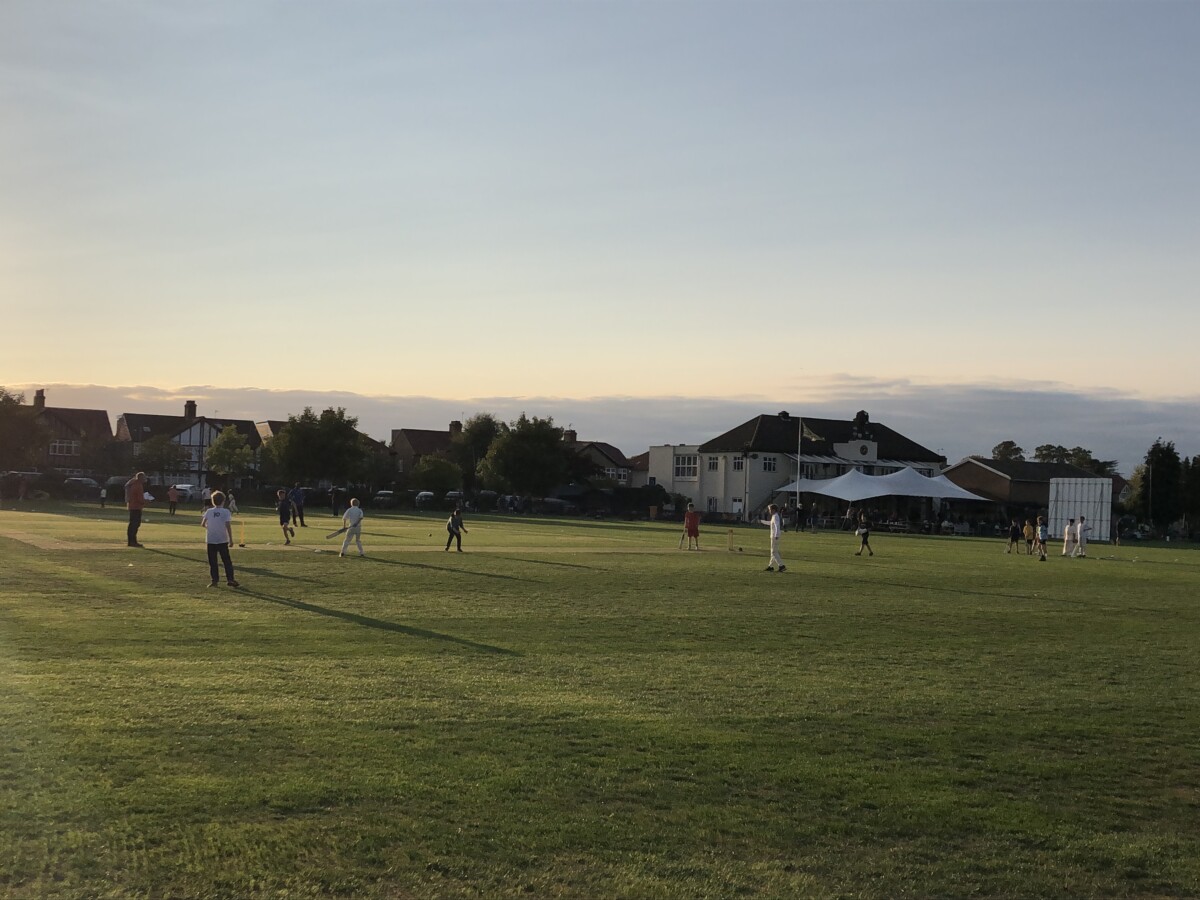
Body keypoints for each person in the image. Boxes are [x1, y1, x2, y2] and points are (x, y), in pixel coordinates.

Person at [201, 490, 240, 587]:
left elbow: (203, 524)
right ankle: (230, 579)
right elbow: (228, 525)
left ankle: (214, 580)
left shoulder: (209, 511)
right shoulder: (225, 512)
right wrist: (231, 539)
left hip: (211, 540)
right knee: (226, 561)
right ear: (223, 501)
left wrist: (210, 527)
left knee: (213, 561)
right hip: (222, 540)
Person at [758, 503, 785, 572]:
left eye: (770, 509)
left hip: (775, 536)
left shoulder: (775, 516)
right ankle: (771, 566)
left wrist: (776, 535)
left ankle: (781, 565)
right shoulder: (774, 516)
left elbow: (776, 526)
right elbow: (770, 523)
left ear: (773, 510)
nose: (769, 511)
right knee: (772, 552)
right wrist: (762, 521)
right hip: (774, 536)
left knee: (774, 552)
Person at [124, 471, 147, 547]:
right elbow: (140, 498)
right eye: (144, 477)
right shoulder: (138, 485)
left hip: (132, 506)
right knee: (135, 524)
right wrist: (146, 501)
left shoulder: (133, 484)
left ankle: (130, 541)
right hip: (136, 507)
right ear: (141, 478)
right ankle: (133, 541)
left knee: (132, 524)